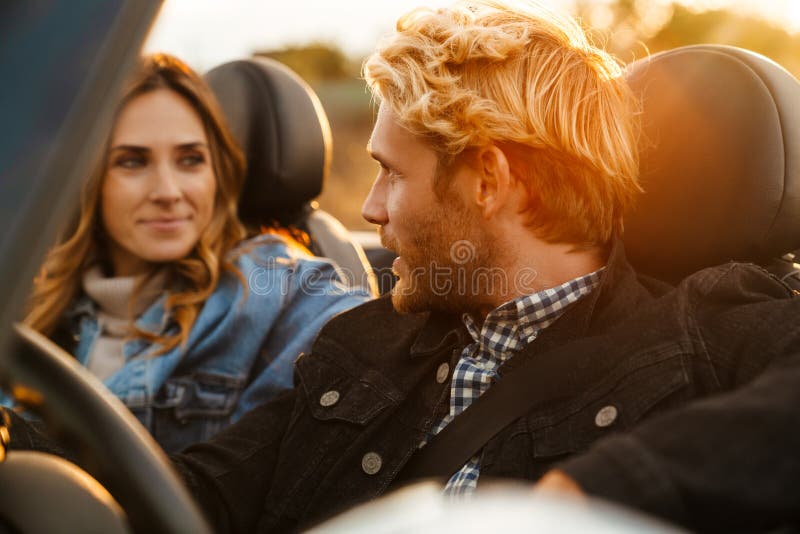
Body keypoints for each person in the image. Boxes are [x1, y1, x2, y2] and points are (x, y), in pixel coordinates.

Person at [6, 2, 799, 532]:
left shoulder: (702, 340)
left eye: (391, 172)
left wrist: (596, 494)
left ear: (487, 181)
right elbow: (192, 496)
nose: (373, 210)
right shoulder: (360, 345)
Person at [9, 53, 370, 453]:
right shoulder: (34, 300)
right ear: (87, 180)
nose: (167, 191)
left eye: (190, 160)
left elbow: (363, 340)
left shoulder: (273, 285)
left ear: (218, 173)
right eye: (132, 161)